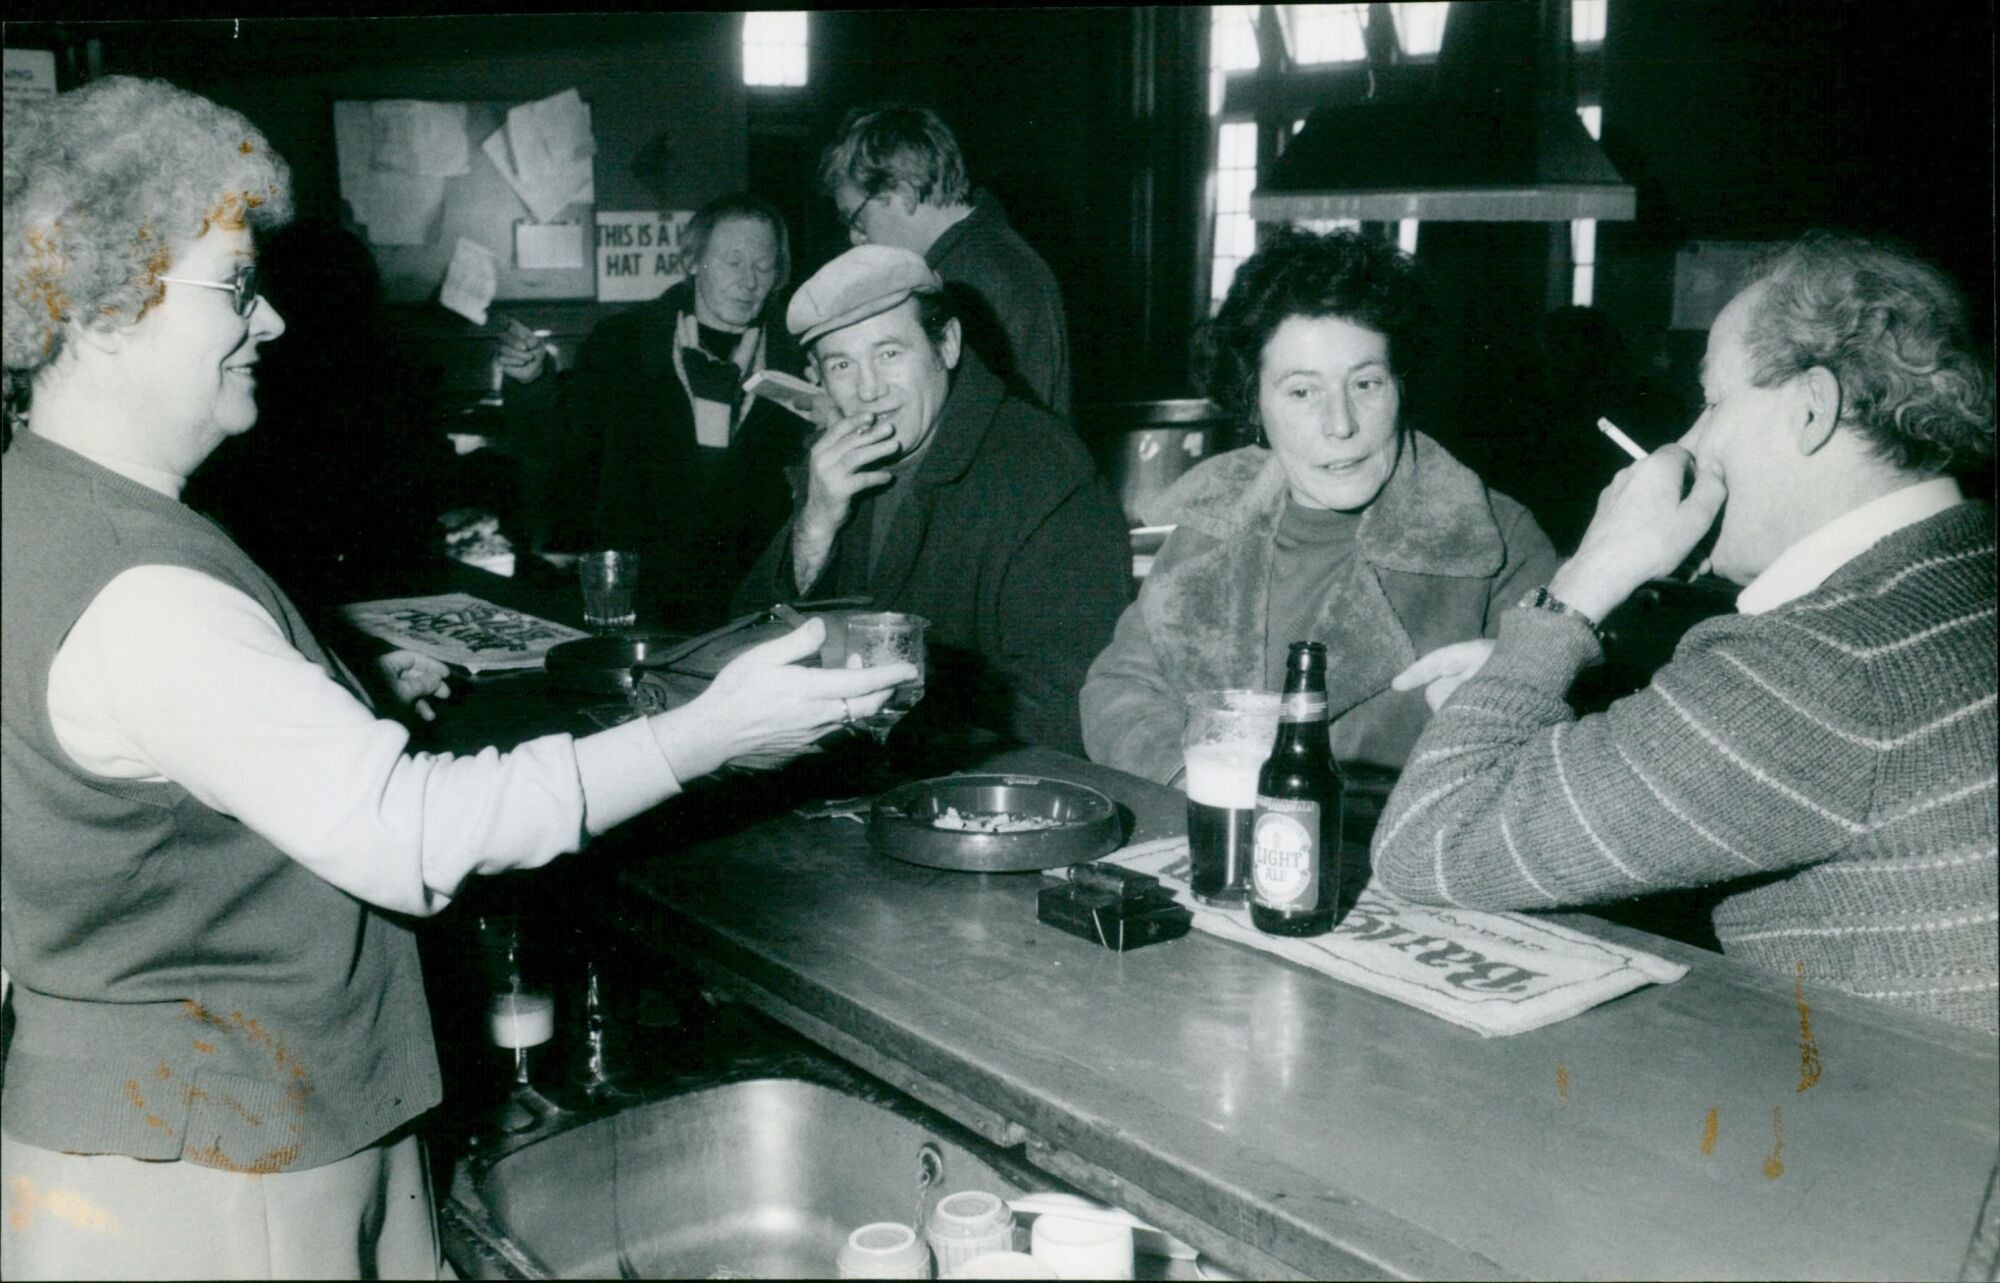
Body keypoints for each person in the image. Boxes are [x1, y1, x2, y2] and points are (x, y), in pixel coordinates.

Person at [0, 77, 915, 1280]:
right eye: (234, 285)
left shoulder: (41, 503)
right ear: (109, 311)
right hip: (228, 1158)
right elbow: (411, 831)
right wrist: (707, 728)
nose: (267, 320)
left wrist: (332, 686)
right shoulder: (144, 591)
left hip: (127, 1134)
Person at [1373, 232, 1997, 1032]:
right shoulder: (1955, 572)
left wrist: (1585, 581)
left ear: (1811, 408)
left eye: (1712, 404)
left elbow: (1427, 845)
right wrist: (1538, 681)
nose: (1688, 445)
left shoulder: (1810, 670)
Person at [1080, 228, 1562, 783]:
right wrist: (1196, 777)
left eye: (1366, 384)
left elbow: (1563, 756)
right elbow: (1122, 688)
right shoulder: (1209, 524)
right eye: (1302, 392)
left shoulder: (1497, 541)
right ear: (1254, 404)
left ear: (1401, 386)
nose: (1341, 425)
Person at [733, 245, 1128, 756]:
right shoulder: (835, 464)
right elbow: (742, 648)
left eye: (889, 353)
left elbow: (1063, 705)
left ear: (947, 345)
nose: (869, 389)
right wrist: (815, 525)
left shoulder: (1044, 471)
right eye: (842, 364)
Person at [496, 192, 809, 628]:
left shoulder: (799, 360)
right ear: (693, 260)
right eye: (733, 262)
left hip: (753, 604)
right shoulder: (622, 343)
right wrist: (532, 383)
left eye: (764, 265)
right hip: (639, 603)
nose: (749, 280)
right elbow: (555, 449)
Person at [820, 104, 1072, 419]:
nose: (855, 237)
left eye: (856, 218)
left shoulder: (979, 276)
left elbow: (995, 425)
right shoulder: (976, 259)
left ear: (905, 193)